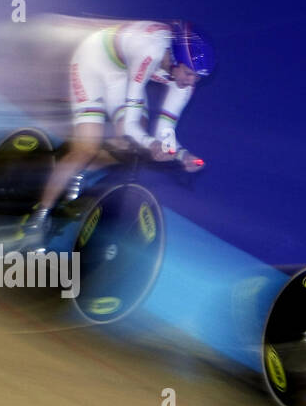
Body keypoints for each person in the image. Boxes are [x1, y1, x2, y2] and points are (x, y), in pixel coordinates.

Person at [19, 20, 211, 247]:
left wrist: (181, 155)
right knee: (87, 148)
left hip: (121, 76)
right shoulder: (150, 51)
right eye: (189, 74)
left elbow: (165, 131)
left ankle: (79, 172)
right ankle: (38, 219)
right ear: (176, 59)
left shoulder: (186, 81)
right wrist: (152, 145)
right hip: (92, 62)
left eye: (197, 78)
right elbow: (132, 127)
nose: (190, 82)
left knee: (128, 149)